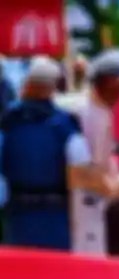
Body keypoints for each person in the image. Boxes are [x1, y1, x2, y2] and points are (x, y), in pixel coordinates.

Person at [0, 58, 93, 250]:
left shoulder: (8, 122)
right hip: (56, 219)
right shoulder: (66, 125)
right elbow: (82, 170)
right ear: (52, 88)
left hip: (18, 219)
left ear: (27, 85)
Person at [75, 51, 119, 256]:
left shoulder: (102, 112)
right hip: (90, 208)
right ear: (107, 82)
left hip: (100, 203)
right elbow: (90, 172)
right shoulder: (91, 116)